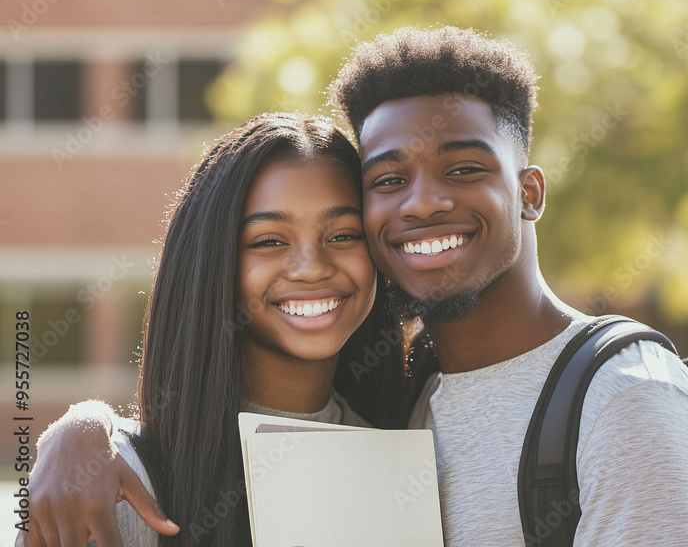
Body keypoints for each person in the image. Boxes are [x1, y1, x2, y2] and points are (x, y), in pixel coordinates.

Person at [24, 27, 688, 546]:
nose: (421, 204)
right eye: (389, 180)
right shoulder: (410, 400)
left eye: (463, 168)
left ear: (529, 192)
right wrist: (85, 427)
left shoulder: (629, 402)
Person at [16, 113, 422, 546]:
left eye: (344, 235)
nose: (312, 267)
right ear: (214, 263)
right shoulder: (119, 488)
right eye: (268, 241)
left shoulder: (406, 458)